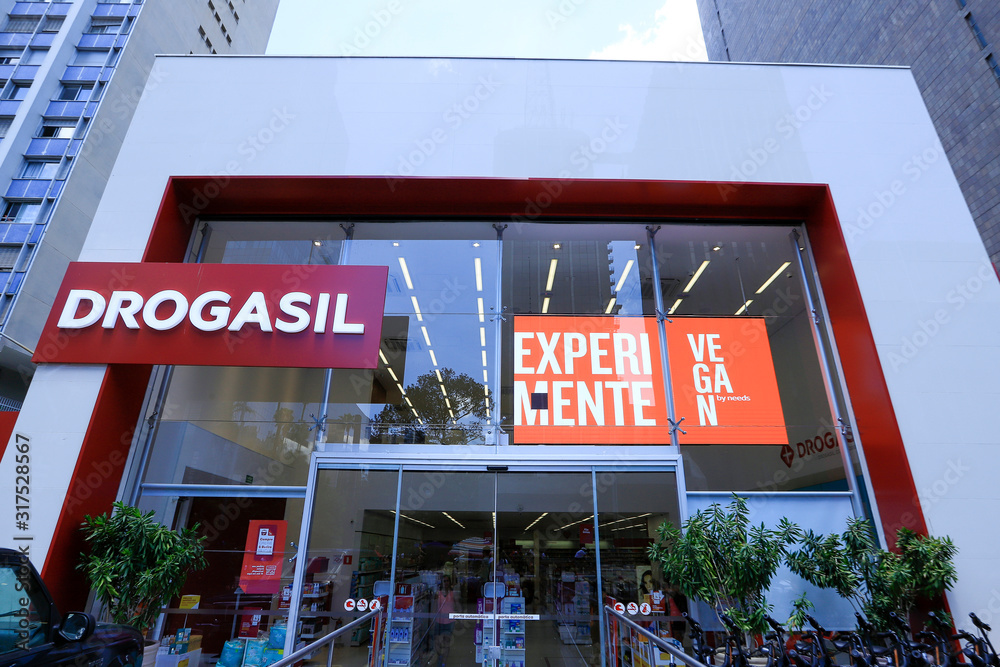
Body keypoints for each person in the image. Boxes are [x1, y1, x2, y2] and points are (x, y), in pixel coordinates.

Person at [434, 576, 456, 667]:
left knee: (447, 643)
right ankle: (439, 658)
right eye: (444, 581)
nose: (445, 583)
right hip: (439, 621)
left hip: (449, 621)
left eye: (447, 581)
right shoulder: (437, 594)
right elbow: (435, 607)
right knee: (438, 643)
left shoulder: (453, 594)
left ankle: (443, 663)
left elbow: (456, 605)